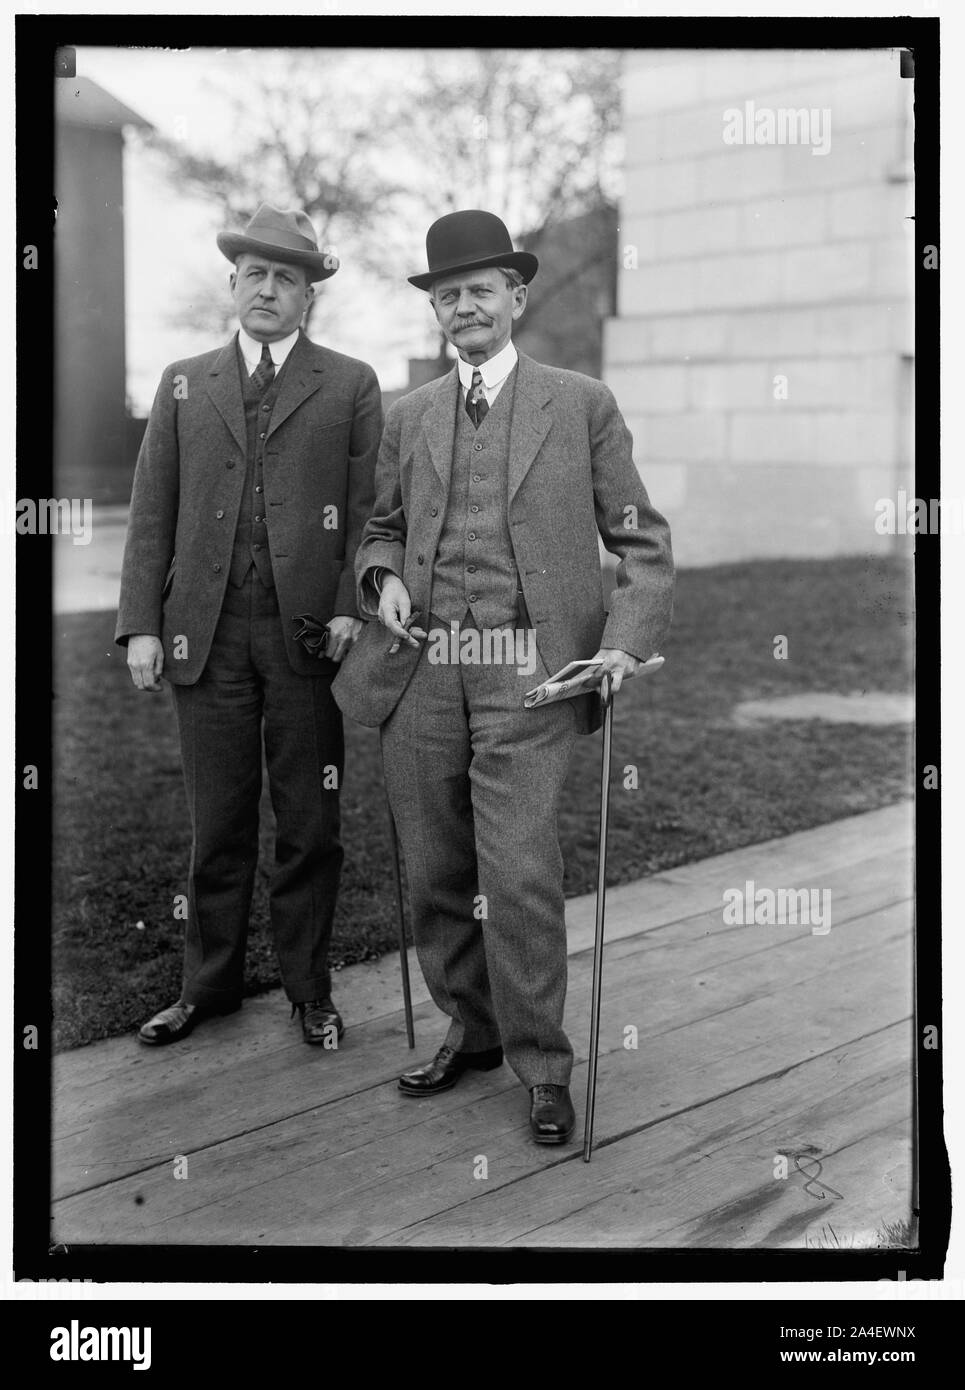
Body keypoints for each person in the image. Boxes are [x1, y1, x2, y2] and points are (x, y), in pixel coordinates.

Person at [334, 210, 674, 1143]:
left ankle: (541, 1063)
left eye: (480, 289)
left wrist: (623, 641)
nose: (463, 307)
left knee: (518, 872)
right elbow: (381, 525)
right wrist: (384, 575)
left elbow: (640, 537)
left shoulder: (581, 403)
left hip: (531, 675)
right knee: (437, 871)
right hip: (424, 671)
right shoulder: (410, 417)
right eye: (447, 294)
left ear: (515, 297)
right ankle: (470, 1030)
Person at [117, 204, 381, 1047]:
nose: (269, 290)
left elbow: (375, 513)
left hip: (307, 637)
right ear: (232, 284)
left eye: (288, 279)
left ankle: (310, 989)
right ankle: (208, 986)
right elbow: (150, 511)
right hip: (206, 632)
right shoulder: (185, 380)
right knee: (218, 820)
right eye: (256, 275)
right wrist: (143, 625)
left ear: (309, 298)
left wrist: (350, 605)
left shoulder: (348, 383)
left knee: (309, 822)